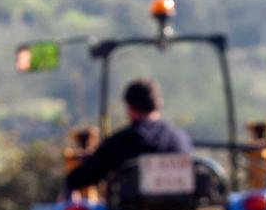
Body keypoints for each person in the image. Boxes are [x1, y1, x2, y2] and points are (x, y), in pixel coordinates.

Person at [63, 78, 191, 194]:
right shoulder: (180, 138)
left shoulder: (124, 140)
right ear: (158, 104)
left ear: (129, 108)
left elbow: (83, 176)